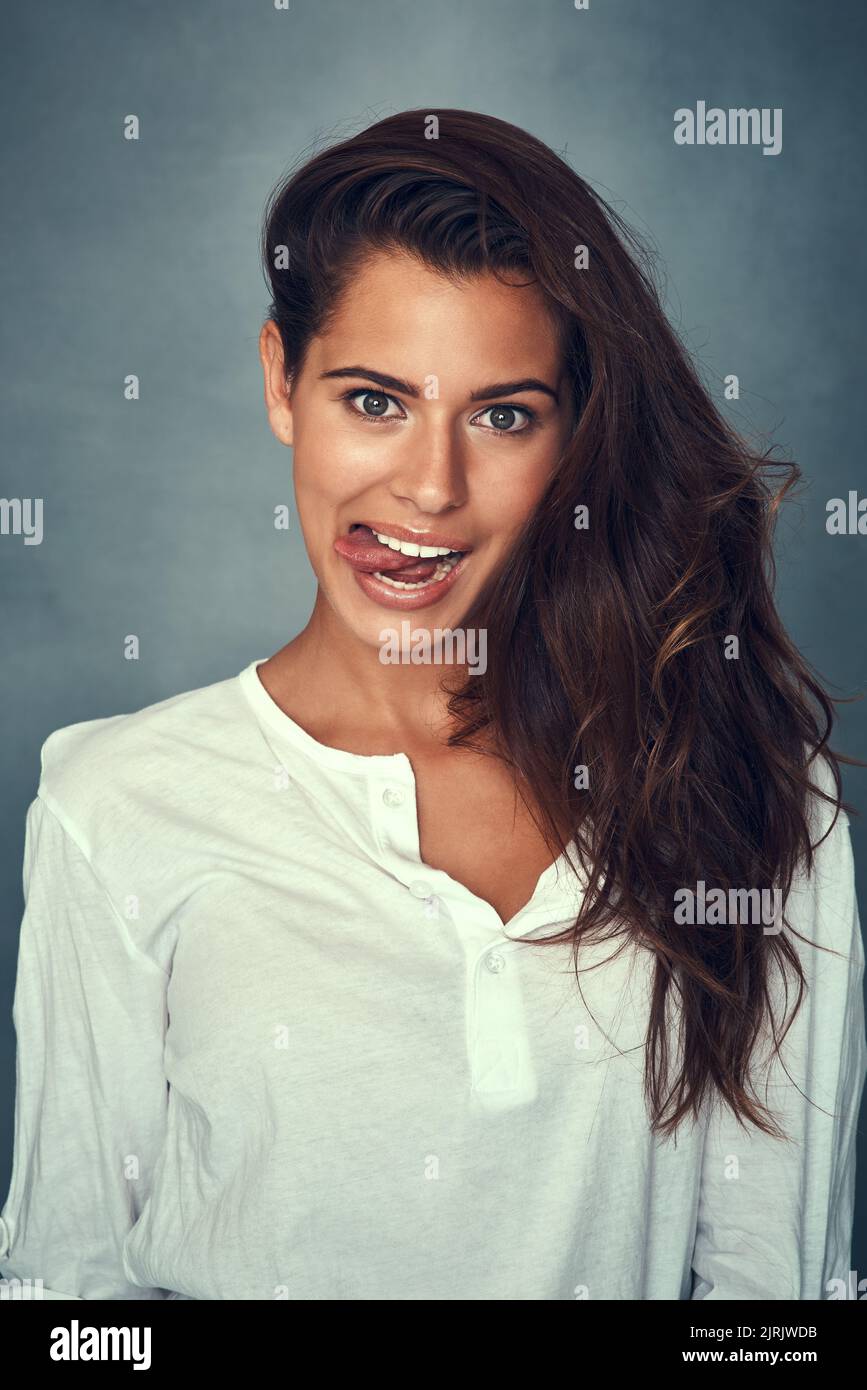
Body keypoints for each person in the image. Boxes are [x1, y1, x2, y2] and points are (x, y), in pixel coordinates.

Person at [1, 108, 865, 1301]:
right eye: (372, 400)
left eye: (504, 415)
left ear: (572, 445)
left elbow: (779, 1307)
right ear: (280, 382)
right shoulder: (115, 810)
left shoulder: (750, 788)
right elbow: (67, 1305)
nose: (429, 483)